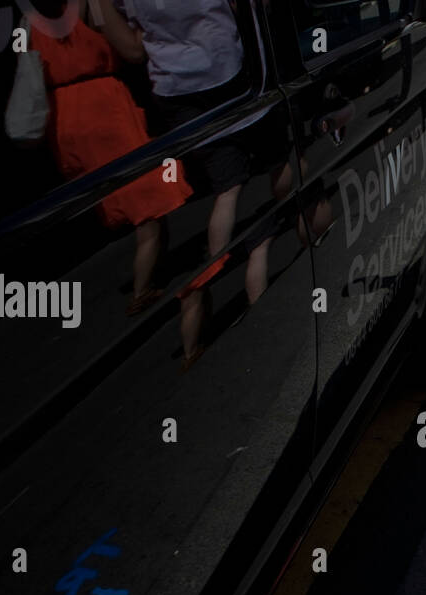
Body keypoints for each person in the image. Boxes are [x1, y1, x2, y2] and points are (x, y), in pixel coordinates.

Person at [105, 0, 256, 371]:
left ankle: (206, 275)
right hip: (222, 70)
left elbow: (131, 48)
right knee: (230, 185)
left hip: (172, 86)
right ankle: (205, 278)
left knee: (213, 175)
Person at [27, 0, 192, 315]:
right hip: (104, 112)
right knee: (149, 201)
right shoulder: (93, 4)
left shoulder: (28, 22)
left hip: (64, 119)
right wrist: (143, 24)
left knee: (131, 198)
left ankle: (157, 269)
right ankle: (142, 291)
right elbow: (132, 52)